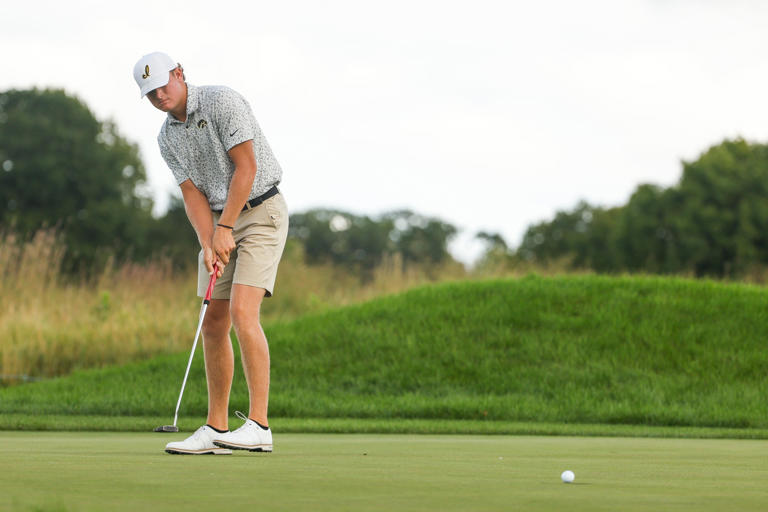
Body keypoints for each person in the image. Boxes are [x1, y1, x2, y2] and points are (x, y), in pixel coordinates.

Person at [133, 52, 288, 455]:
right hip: (219, 222)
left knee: (242, 311)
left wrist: (225, 228)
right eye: (150, 93)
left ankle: (259, 426)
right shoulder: (167, 138)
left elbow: (247, 168)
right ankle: (216, 428)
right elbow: (191, 193)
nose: (159, 96)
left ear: (180, 73)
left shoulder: (222, 101)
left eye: (163, 85)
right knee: (213, 322)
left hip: (261, 212)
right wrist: (208, 241)